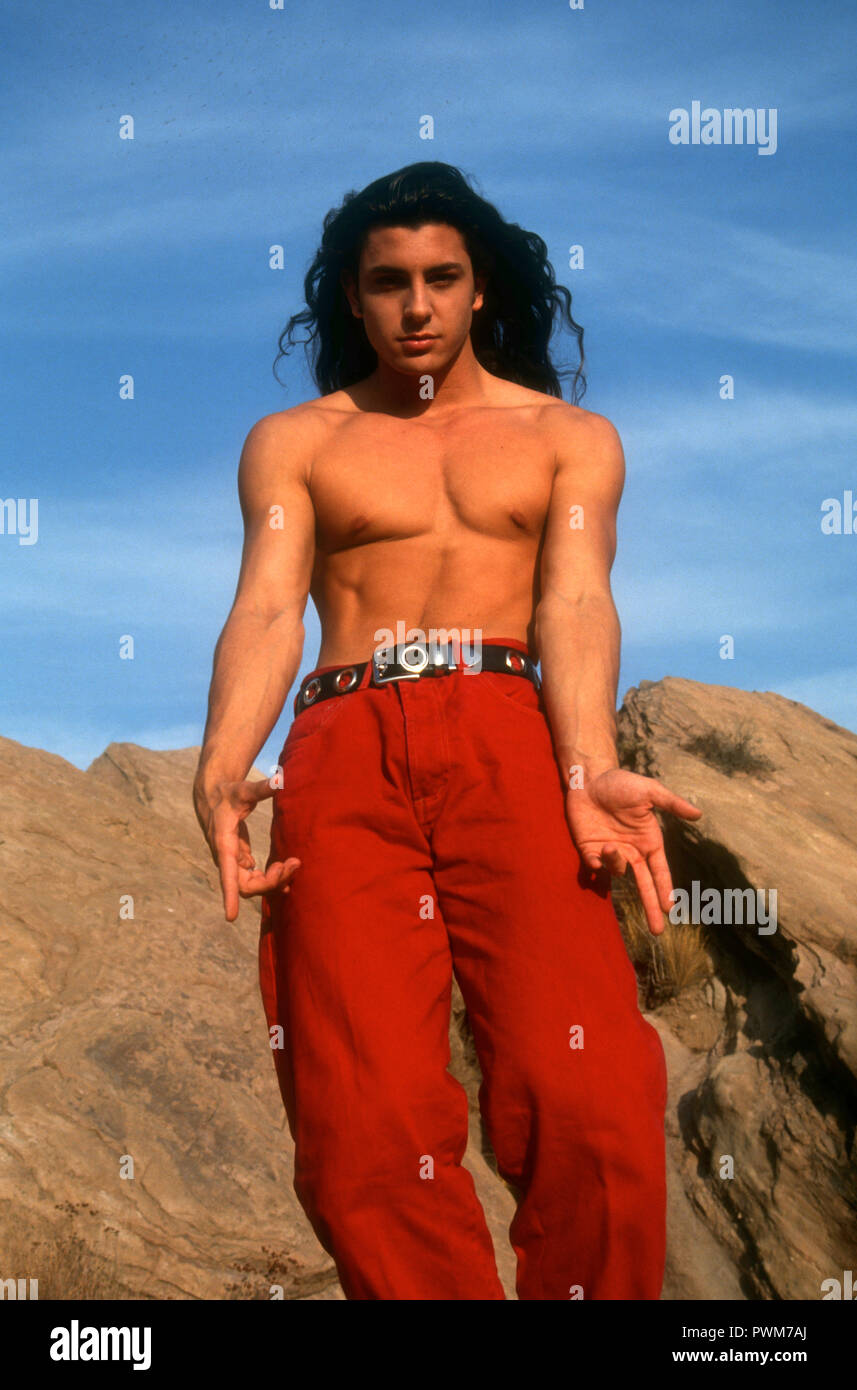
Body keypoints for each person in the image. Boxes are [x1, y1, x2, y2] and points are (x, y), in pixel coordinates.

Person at [192, 161, 702, 1301]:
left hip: (508, 732)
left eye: (440, 278)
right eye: (387, 282)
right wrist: (222, 766)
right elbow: (267, 607)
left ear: (480, 288)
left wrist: (589, 769)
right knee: (359, 1119)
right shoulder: (296, 441)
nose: (415, 306)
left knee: (590, 1097)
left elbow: (575, 601)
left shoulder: (567, 436)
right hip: (344, 745)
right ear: (352, 296)